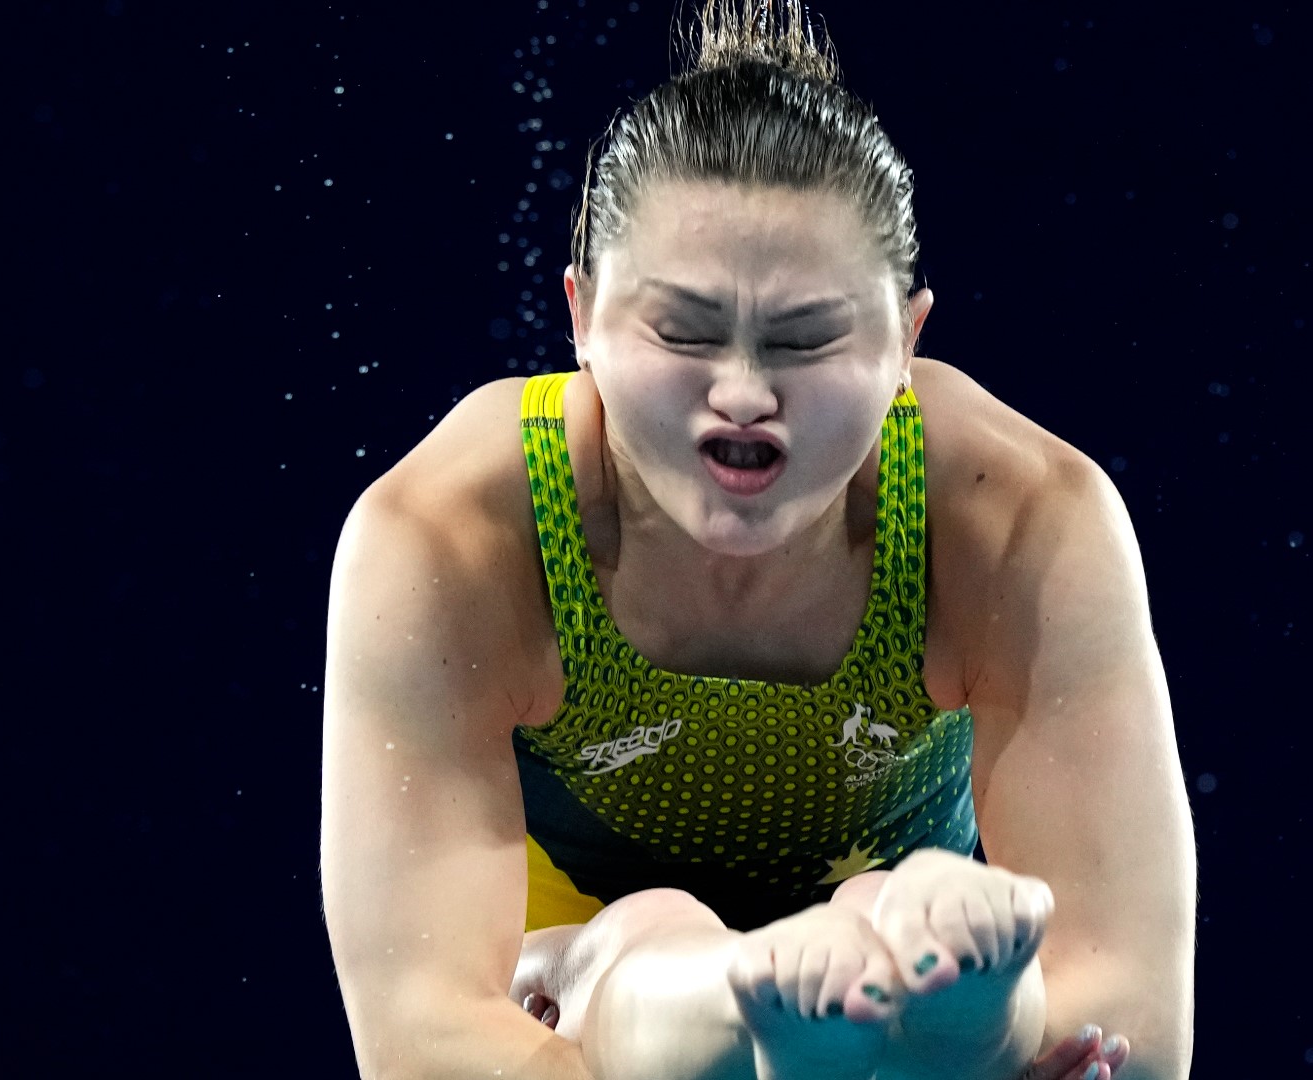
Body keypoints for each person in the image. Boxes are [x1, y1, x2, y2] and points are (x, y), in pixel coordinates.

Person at [322, 4, 1182, 1079]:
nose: (742, 394)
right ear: (580, 317)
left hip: (906, 971)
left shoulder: (1018, 519)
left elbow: (1134, 1013)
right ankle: (757, 1003)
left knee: (897, 921)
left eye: (807, 338)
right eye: (682, 331)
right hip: (598, 990)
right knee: (641, 941)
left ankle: (933, 999)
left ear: (907, 340)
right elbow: (422, 1032)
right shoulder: (453, 534)